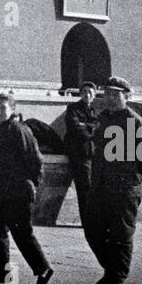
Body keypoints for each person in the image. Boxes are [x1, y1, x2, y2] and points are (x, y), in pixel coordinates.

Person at [84, 76, 142, 284]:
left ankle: (115, 279)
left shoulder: (135, 122)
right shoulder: (102, 118)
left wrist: (133, 178)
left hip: (125, 187)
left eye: (116, 94)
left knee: (120, 234)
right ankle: (113, 270)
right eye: (108, 94)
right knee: (93, 230)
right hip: (100, 185)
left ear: (126, 96)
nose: (111, 98)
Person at [0, 93, 53, 284]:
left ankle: (43, 268)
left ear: (12, 110)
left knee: (21, 231)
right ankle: (0, 272)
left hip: (17, 190)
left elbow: (35, 159)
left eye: (2, 108)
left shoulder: (19, 129)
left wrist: (33, 184)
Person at [62, 82, 98, 220]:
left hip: (91, 152)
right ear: (80, 93)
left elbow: (98, 127)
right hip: (79, 154)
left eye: (90, 92)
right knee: (84, 188)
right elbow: (75, 128)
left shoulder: (93, 110)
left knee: (92, 188)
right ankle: (87, 220)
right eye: (84, 92)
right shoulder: (73, 108)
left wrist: (86, 126)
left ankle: (92, 219)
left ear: (94, 95)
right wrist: (91, 129)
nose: (87, 95)